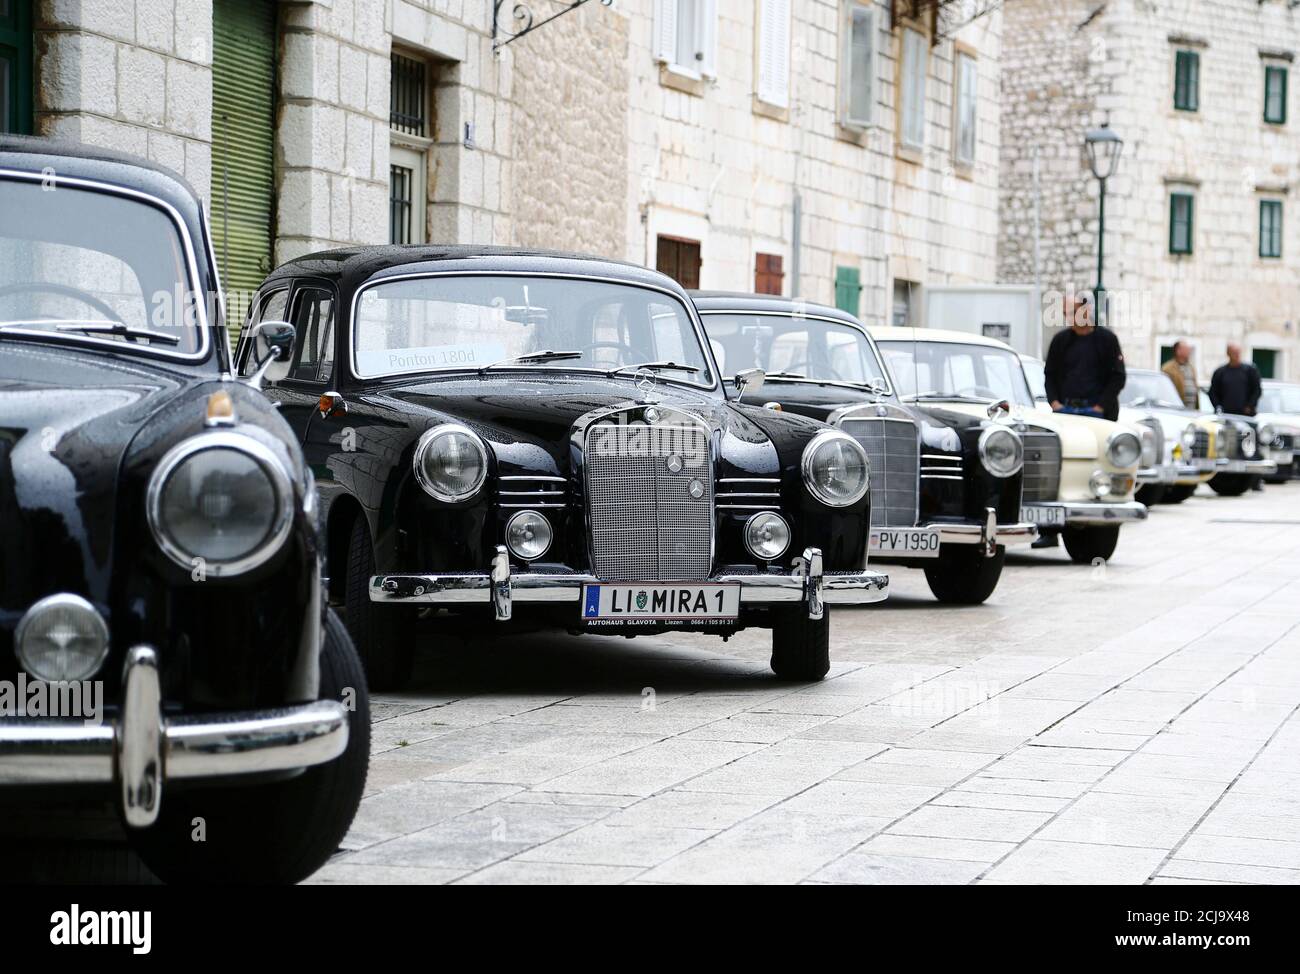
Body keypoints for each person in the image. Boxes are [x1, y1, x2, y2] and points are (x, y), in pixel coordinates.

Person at [1043, 295, 1127, 421]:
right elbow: (1050, 374)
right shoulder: (1060, 341)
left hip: (1098, 412)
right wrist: (1054, 403)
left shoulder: (1107, 340)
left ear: (1086, 310)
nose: (1069, 318)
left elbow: (1118, 376)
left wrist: (1101, 406)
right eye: (1065, 314)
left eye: (1073, 312)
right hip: (1065, 410)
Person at [1208, 343, 1261, 416]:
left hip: (1246, 415)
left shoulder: (1250, 371)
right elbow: (1213, 392)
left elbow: (1257, 390)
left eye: (1238, 352)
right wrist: (1218, 406)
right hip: (1225, 414)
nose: (1237, 355)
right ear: (1228, 354)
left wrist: (1250, 406)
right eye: (1234, 353)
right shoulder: (1220, 372)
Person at [1161, 340, 1199, 410]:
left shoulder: (1191, 367)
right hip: (1176, 410)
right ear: (1178, 351)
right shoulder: (1168, 369)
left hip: (1192, 410)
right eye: (1186, 349)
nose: (1189, 351)